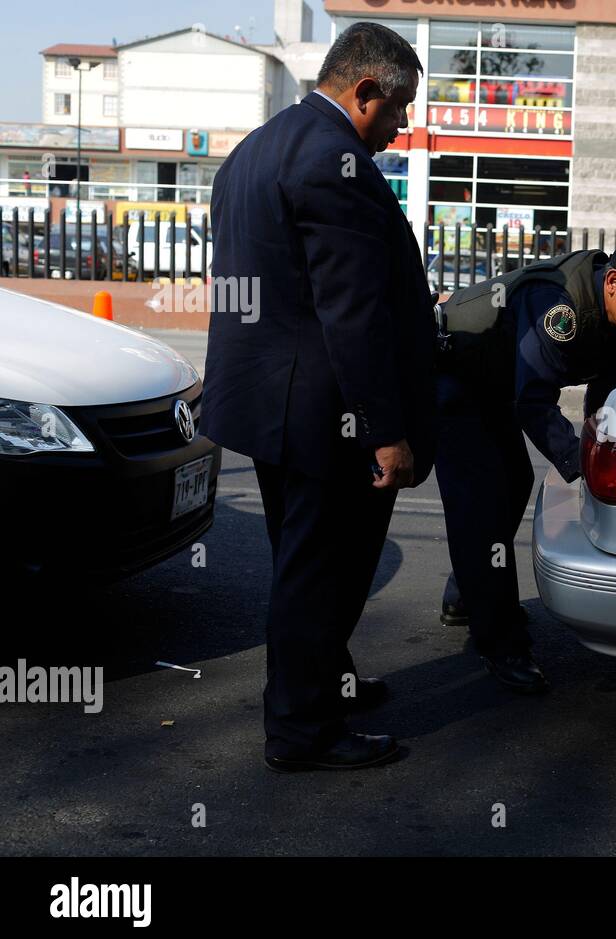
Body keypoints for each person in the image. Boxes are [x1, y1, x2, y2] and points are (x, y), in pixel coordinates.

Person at [201, 22, 436, 772]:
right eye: (397, 111)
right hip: (323, 412)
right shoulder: (332, 163)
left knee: (305, 565)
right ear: (364, 90)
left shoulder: (255, 148)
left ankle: (323, 686)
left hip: (272, 404)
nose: (399, 130)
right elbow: (352, 311)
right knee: (320, 573)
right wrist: (385, 430)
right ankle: (304, 730)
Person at [434, 240, 616, 693]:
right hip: (458, 379)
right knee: (484, 501)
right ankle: (501, 643)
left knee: (514, 482)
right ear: (613, 281)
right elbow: (534, 403)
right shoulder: (559, 308)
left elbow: (610, 401)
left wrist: (613, 454)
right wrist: (582, 467)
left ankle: (466, 595)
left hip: (496, 386)